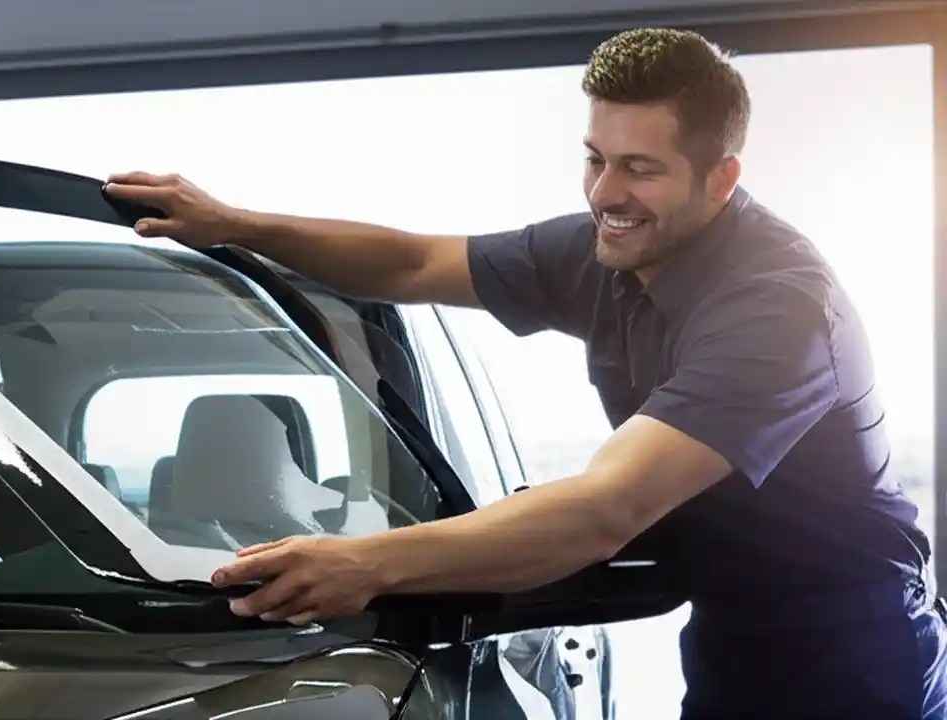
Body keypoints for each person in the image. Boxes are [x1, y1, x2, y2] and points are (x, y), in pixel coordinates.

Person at [104, 27, 947, 719]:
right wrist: (234, 224)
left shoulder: (778, 310)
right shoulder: (607, 249)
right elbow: (412, 264)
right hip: (728, 631)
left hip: (855, 649)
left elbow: (603, 510)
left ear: (722, 180)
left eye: (641, 168)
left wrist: (364, 564)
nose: (605, 193)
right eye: (595, 158)